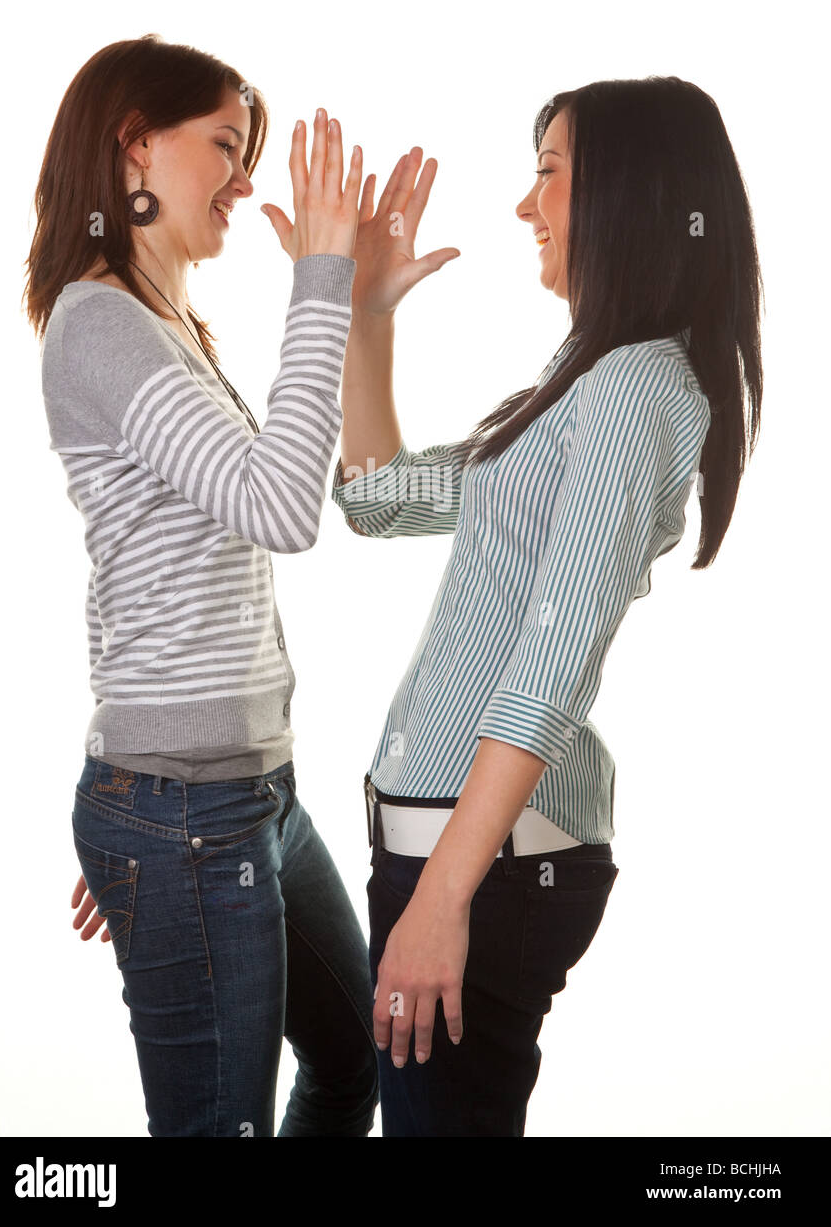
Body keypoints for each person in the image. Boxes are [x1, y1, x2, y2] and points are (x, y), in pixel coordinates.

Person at [331, 76, 764, 1136]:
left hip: (476, 869)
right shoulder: (582, 382)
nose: (526, 205)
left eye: (548, 173)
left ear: (629, 192)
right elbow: (379, 501)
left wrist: (439, 898)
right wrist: (366, 316)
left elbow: (551, 658)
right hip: (459, 857)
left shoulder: (632, 389)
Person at [25, 34, 379, 1137]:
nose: (244, 181)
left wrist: (141, 841)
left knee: (353, 1056)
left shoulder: (170, 327)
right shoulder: (99, 325)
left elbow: (193, 561)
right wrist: (320, 275)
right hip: (187, 811)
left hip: (240, 798)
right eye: (224, 148)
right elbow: (281, 509)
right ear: (134, 147)